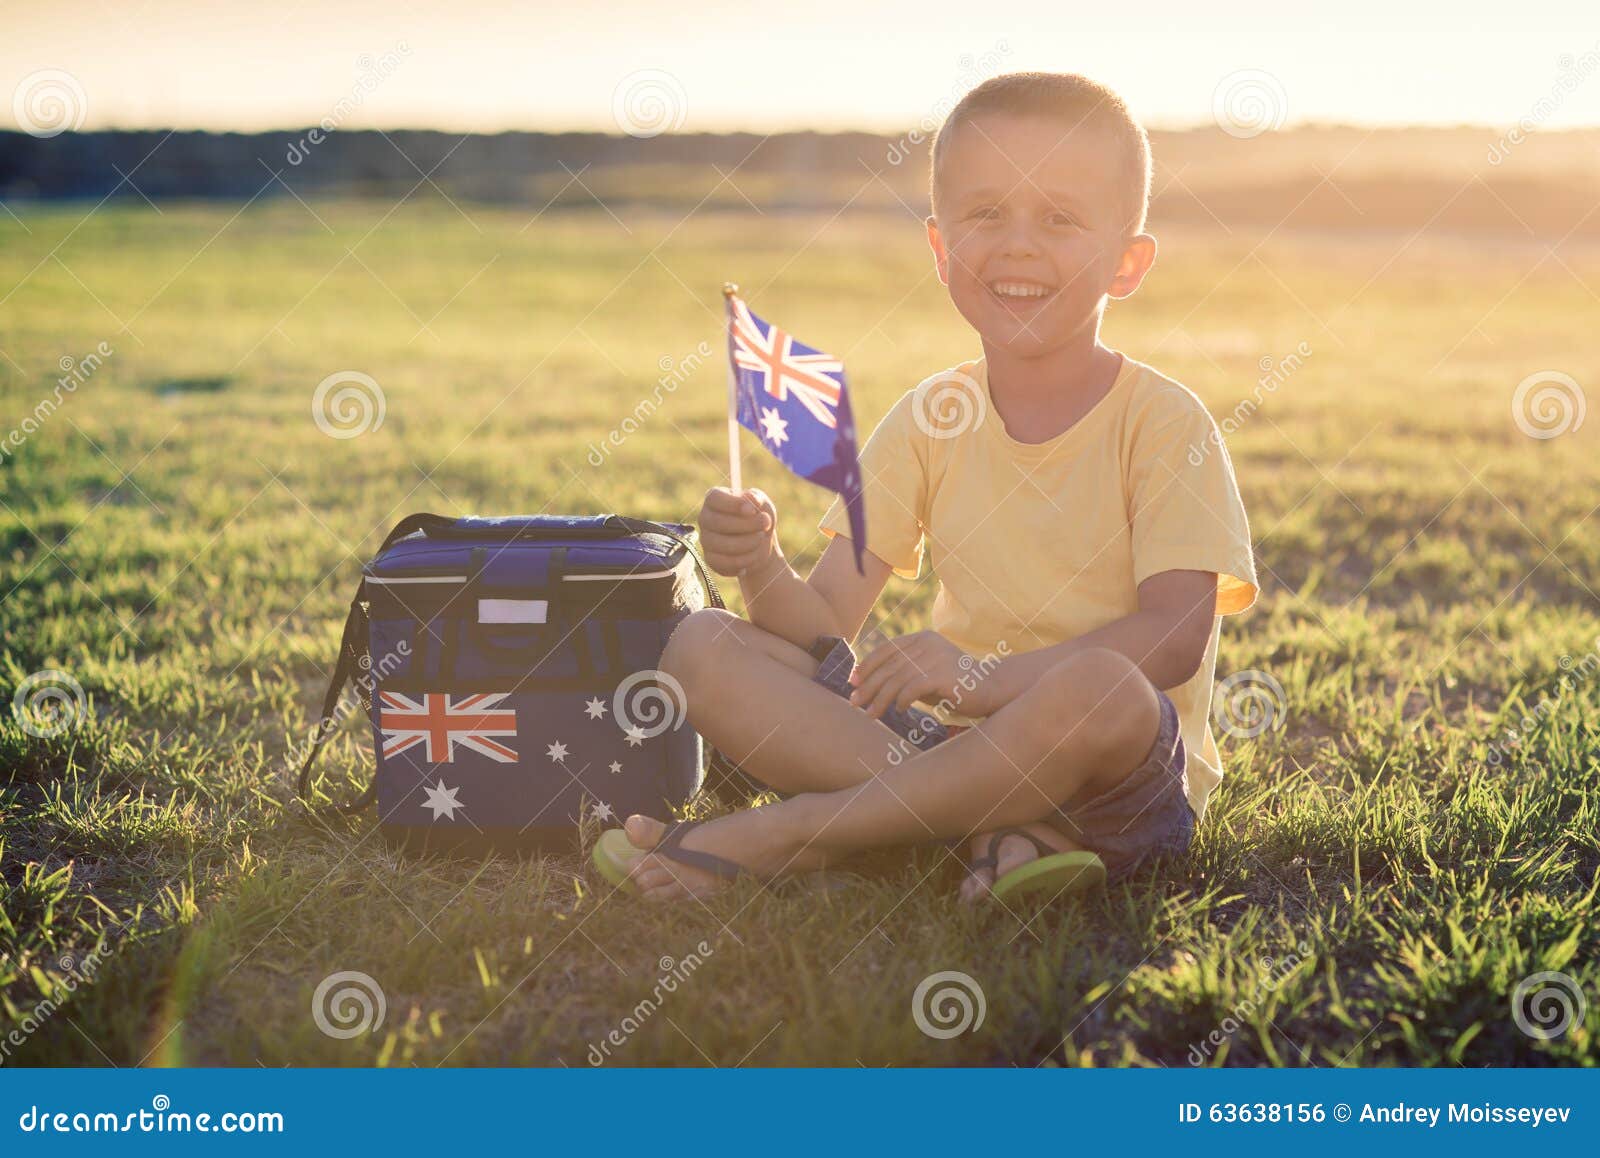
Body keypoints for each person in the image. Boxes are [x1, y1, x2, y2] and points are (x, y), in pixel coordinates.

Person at [607, 71, 1258, 902]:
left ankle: (791, 834)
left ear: (1126, 264)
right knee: (704, 645)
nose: (1018, 244)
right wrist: (761, 565)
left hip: (1111, 776)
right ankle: (984, 834)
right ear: (942, 249)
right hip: (942, 748)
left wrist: (980, 678)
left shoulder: (1166, 420)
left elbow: (1173, 638)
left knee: (1101, 691)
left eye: (1059, 218)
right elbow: (822, 627)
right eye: (986, 215)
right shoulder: (929, 417)